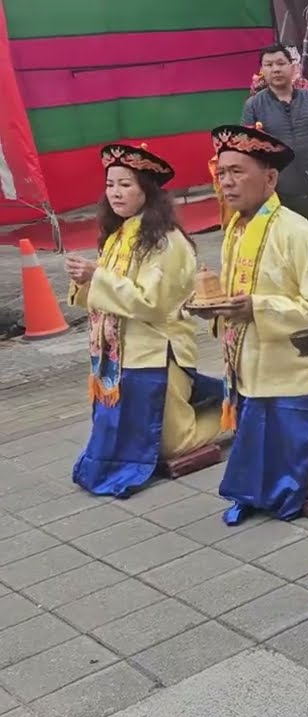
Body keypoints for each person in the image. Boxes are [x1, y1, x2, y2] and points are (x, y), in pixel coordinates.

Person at [202, 124, 308, 525]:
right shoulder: (236, 230)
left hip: (297, 374)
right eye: (222, 173)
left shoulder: (298, 233)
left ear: (270, 178)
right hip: (252, 364)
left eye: (238, 172)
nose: (228, 183)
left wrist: (258, 307)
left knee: (307, 472)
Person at [68, 144, 222, 498]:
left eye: (125, 184)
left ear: (146, 191)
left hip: (156, 352)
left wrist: (99, 277)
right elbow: (99, 296)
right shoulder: (117, 235)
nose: (116, 193)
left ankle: (236, 409)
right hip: (117, 356)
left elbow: (152, 304)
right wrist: (84, 279)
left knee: (174, 444)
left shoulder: (167, 241)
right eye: (110, 185)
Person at [242, 44, 308, 276]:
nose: (275, 69)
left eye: (280, 63)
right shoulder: (254, 106)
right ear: (262, 71)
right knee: (295, 254)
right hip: (283, 195)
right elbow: (250, 154)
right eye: (269, 65)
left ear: (292, 67)